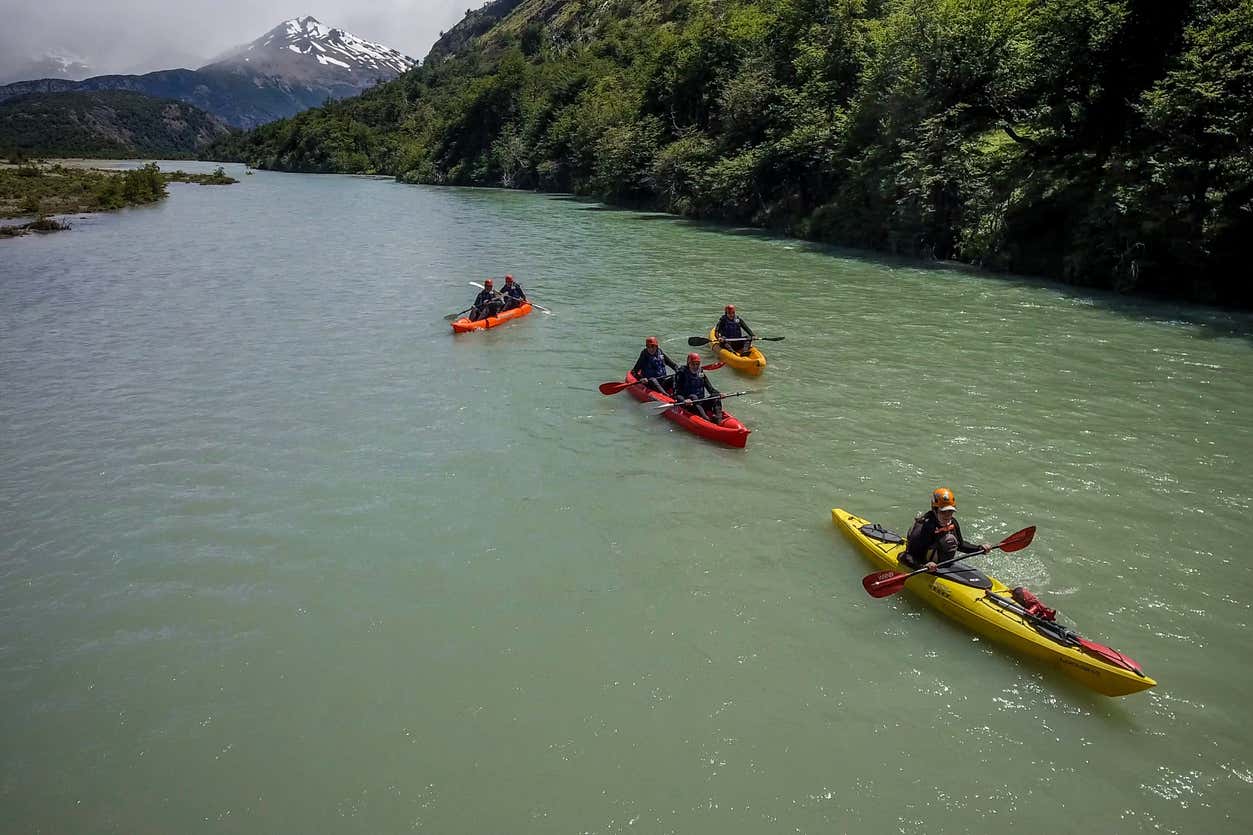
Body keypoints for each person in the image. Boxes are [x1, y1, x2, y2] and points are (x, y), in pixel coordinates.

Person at [903, 487, 991, 572]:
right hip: (923, 565)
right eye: (943, 512)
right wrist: (922, 566)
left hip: (941, 564)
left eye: (950, 511)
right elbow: (907, 556)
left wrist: (979, 549)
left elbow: (960, 545)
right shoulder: (924, 527)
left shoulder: (953, 523)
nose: (947, 515)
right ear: (934, 510)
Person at [672, 352, 723, 423]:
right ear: (688, 364)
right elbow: (676, 393)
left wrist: (719, 394)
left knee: (716, 396)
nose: (695, 366)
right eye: (693, 364)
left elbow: (710, 388)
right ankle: (706, 420)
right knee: (693, 396)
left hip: (701, 402)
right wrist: (684, 400)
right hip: (690, 405)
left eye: (697, 364)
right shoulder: (682, 373)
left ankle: (718, 419)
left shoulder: (700, 373)